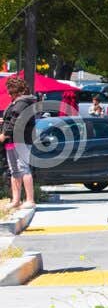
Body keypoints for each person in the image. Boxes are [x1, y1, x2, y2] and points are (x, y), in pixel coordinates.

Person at [2, 74, 42, 210]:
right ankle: (16, 200)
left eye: (11, 91)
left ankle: (30, 200)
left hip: (22, 140)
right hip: (13, 140)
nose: (9, 94)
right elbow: (10, 119)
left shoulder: (22, 102)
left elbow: (15, 120)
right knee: (14, 170)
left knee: (23, 168)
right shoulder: (17, 102)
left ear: (18, 91)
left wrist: (4, 134)